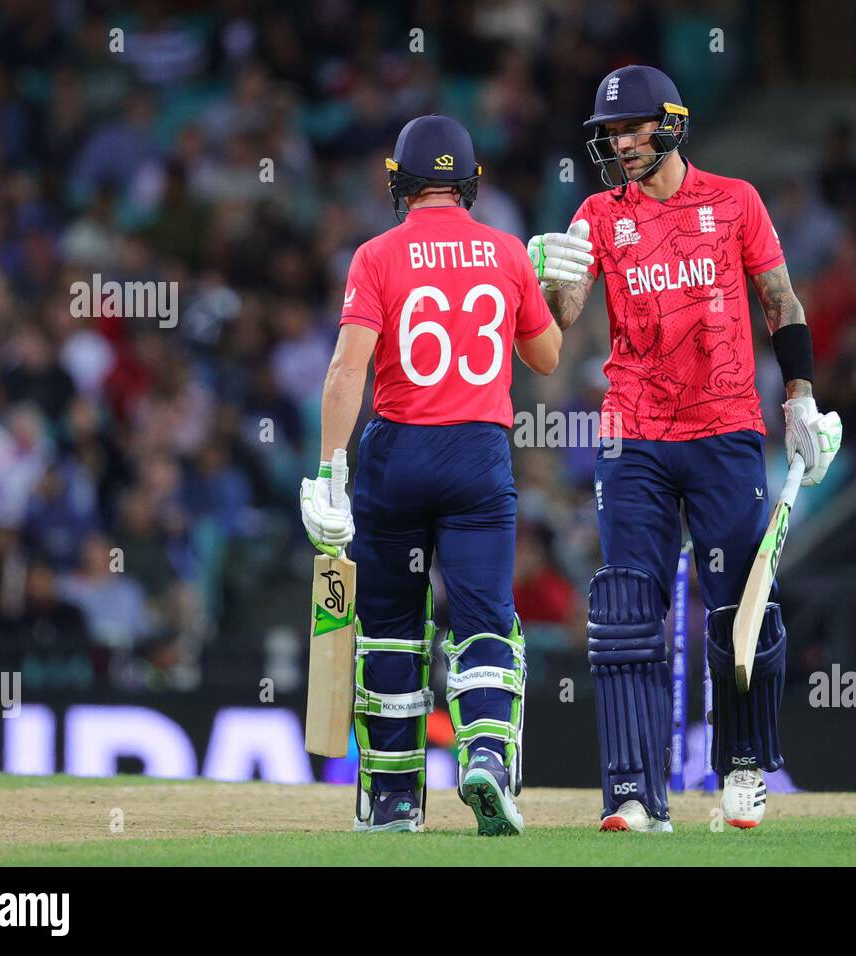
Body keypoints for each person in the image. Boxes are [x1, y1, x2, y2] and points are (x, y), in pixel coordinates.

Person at [527, 65, 842, 831]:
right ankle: (634, 793)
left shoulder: (736, 200)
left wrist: (800, 395)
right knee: (628, 610)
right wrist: (539, 279)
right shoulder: (598, 214)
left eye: (632, 128)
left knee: (743, 607)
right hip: (633, 431)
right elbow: (562, 317)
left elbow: (781, 301)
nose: (621, 144)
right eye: (609, 133)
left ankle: (741, 769)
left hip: (727, 428)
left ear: (670, 123)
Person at [301, 115, 562, 835]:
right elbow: (545, 357)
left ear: (400, 183)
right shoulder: (507, 252)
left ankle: (392, 800)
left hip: (396, 456)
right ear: (469, 182)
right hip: (478, 456)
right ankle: (485, 755)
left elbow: (348, 367)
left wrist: (330, 468)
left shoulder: (376, 256)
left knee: (389, 630)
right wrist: (544, 286)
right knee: (485, 623)